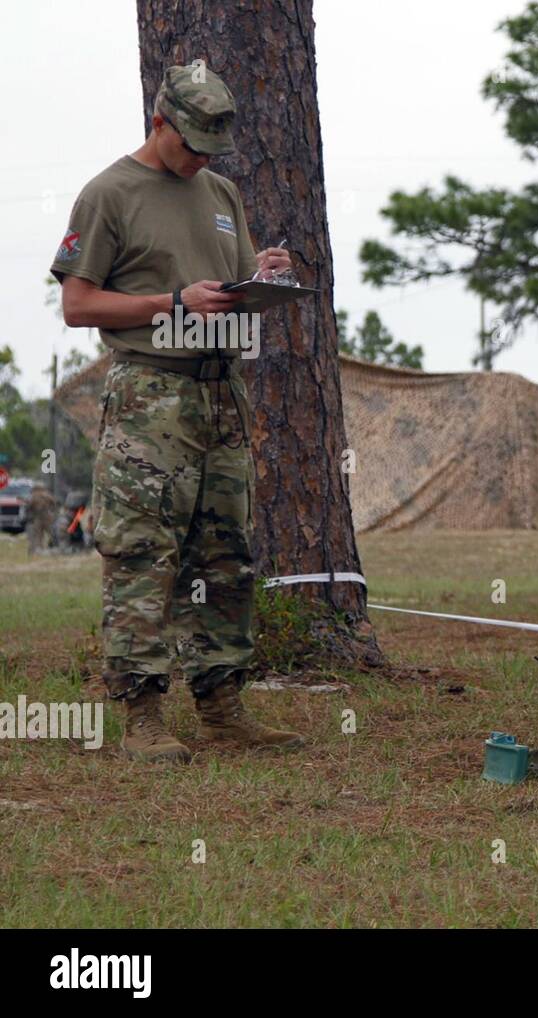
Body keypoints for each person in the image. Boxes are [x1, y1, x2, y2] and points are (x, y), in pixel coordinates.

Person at [52, 64, 303, 763]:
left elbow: (231, 282)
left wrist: (266, 276)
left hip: (222, 392)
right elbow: (78, 305)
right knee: (142, 552)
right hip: (150, 396)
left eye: (210, 149)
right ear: (159, 121)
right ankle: (141, 715)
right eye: (190, 144)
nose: (198, 160)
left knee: (226, 552)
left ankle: (223, 706)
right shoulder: (110, 193)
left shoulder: (220, 192)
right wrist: (172, 303)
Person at [25, 484, 58, 557]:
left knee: (38, 535)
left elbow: (29, 506)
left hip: (38, 518)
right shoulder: (47, 495)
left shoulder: (34, 496)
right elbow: (54, 503)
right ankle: (56, 546)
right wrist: (53, 512)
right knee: (52, 533)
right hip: (48, 517)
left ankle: (38, 550)